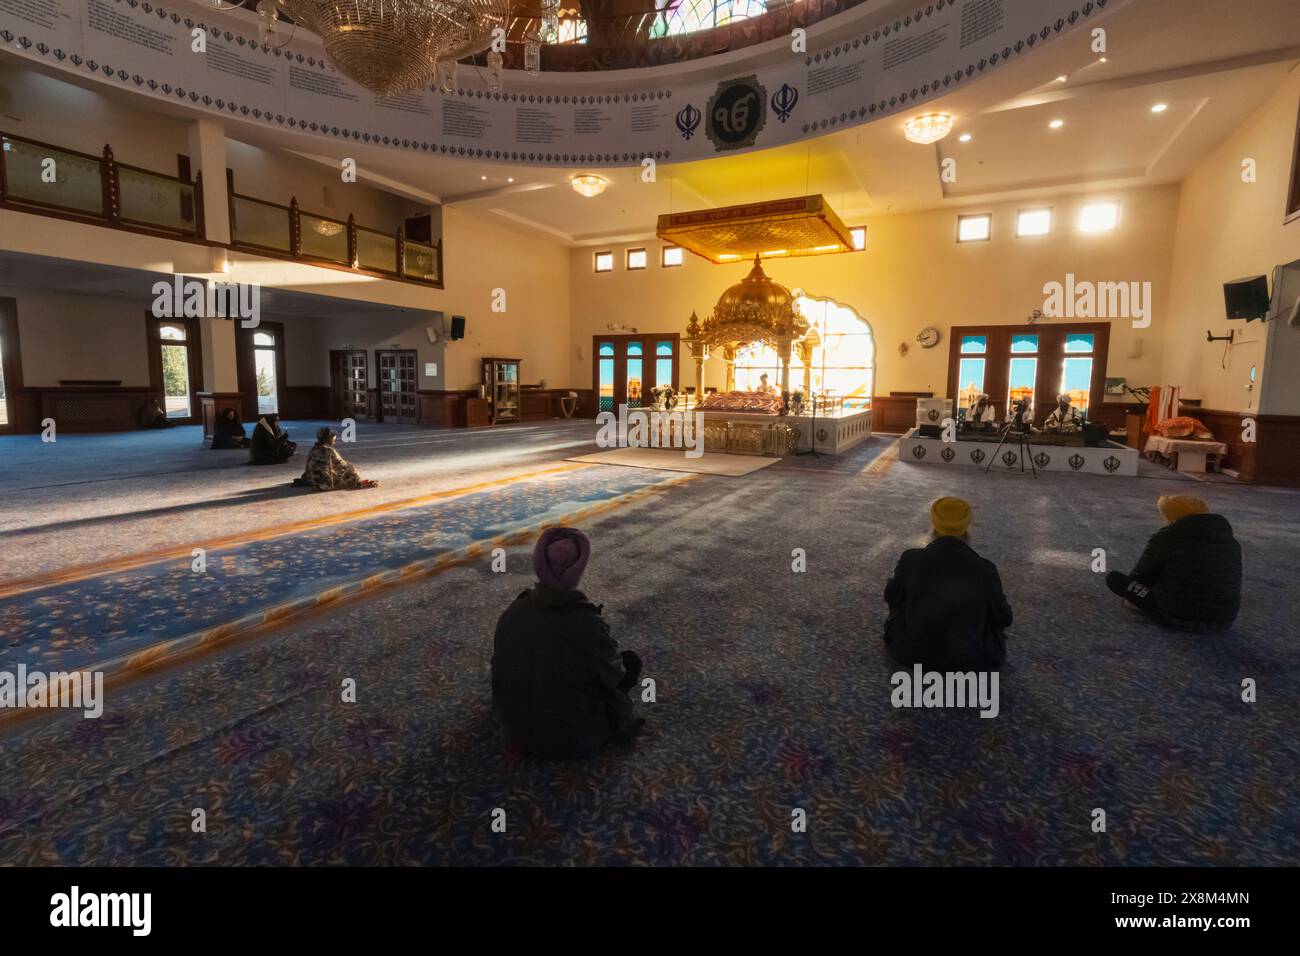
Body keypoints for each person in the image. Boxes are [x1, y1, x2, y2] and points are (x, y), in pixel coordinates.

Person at [491, 527, 644, 759]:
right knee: (630, 662)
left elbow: (499, 668)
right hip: (574, 738)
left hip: (514, 731)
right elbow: (613, 673)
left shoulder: (513, 611)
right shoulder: (585, 621)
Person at [883, 498, 1012, 670]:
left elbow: (891, 595)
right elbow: (1004, 618)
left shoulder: (911, 559)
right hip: (972, 660)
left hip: (910, 654)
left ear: (934, 526)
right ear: (967, 529)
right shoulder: (985, 569)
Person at [1105, 495, 1241, 631]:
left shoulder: (1168, 537)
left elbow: (1139, 577)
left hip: (1175, 617)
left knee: (1115, 579)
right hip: (1224, 620)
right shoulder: (1230, 541)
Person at [293, 427, 377, 490]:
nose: (335, 438)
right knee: (351, 473)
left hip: (311, 480)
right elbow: (343, 464)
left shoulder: (314, 448)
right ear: (328, 438)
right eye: (333, 436)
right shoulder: (328, 450)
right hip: (323, 484)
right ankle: (358, 482)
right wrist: (357, 476)